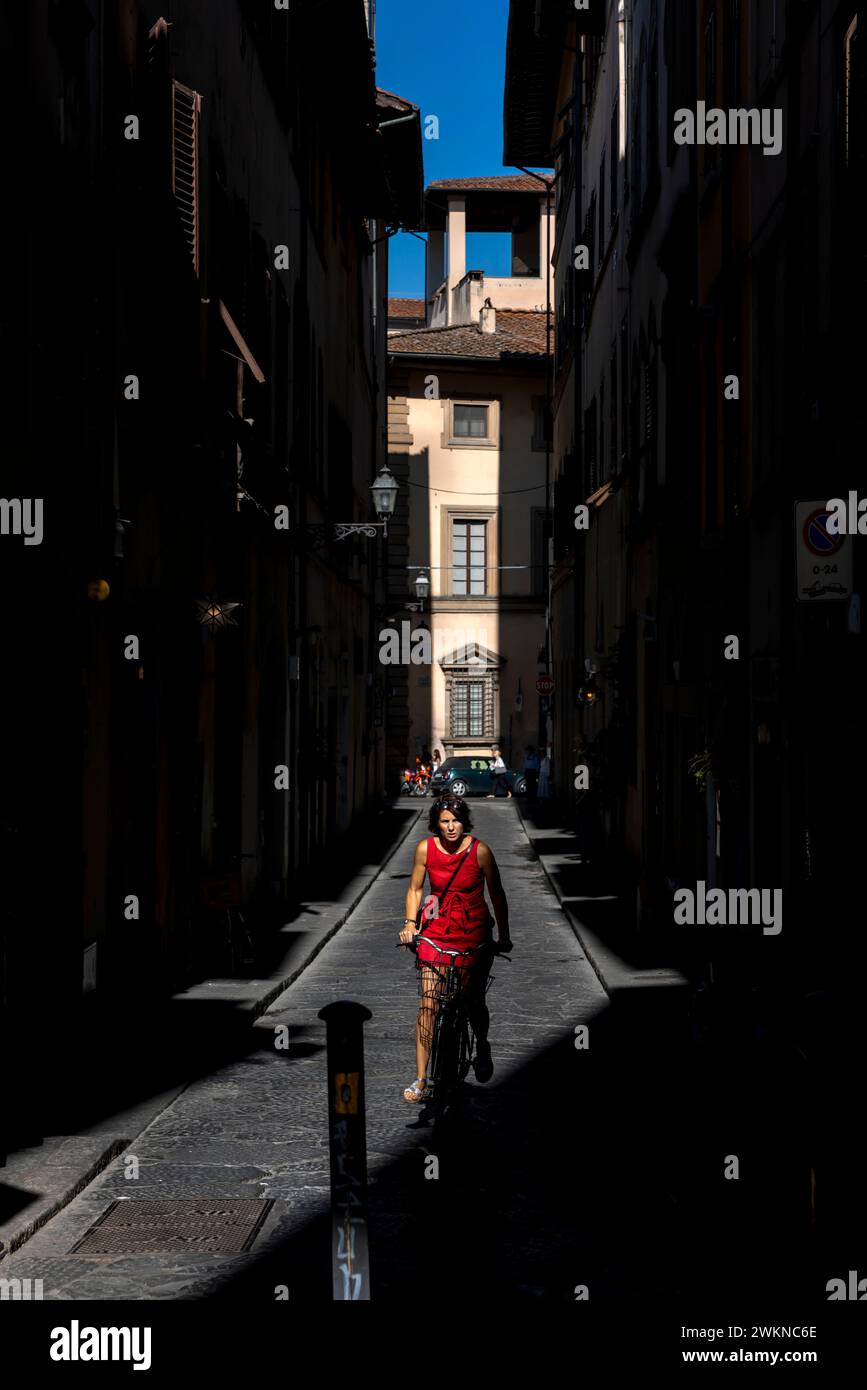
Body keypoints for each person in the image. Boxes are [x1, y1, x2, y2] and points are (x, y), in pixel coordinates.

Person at [398, 795, 513, 1103]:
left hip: (473, 932)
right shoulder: (425, 849)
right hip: (436, 931)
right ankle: (422, 1078)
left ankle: (483, 1043)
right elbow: (415, 888)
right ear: (436, 823)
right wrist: (410, 924)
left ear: (465, 822)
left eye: (456, 820)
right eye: (445, 821)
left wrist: (503, 935)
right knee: (428, 1004)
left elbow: (497, 894)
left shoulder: (481, 852)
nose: (451, 827)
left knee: (473, 999)